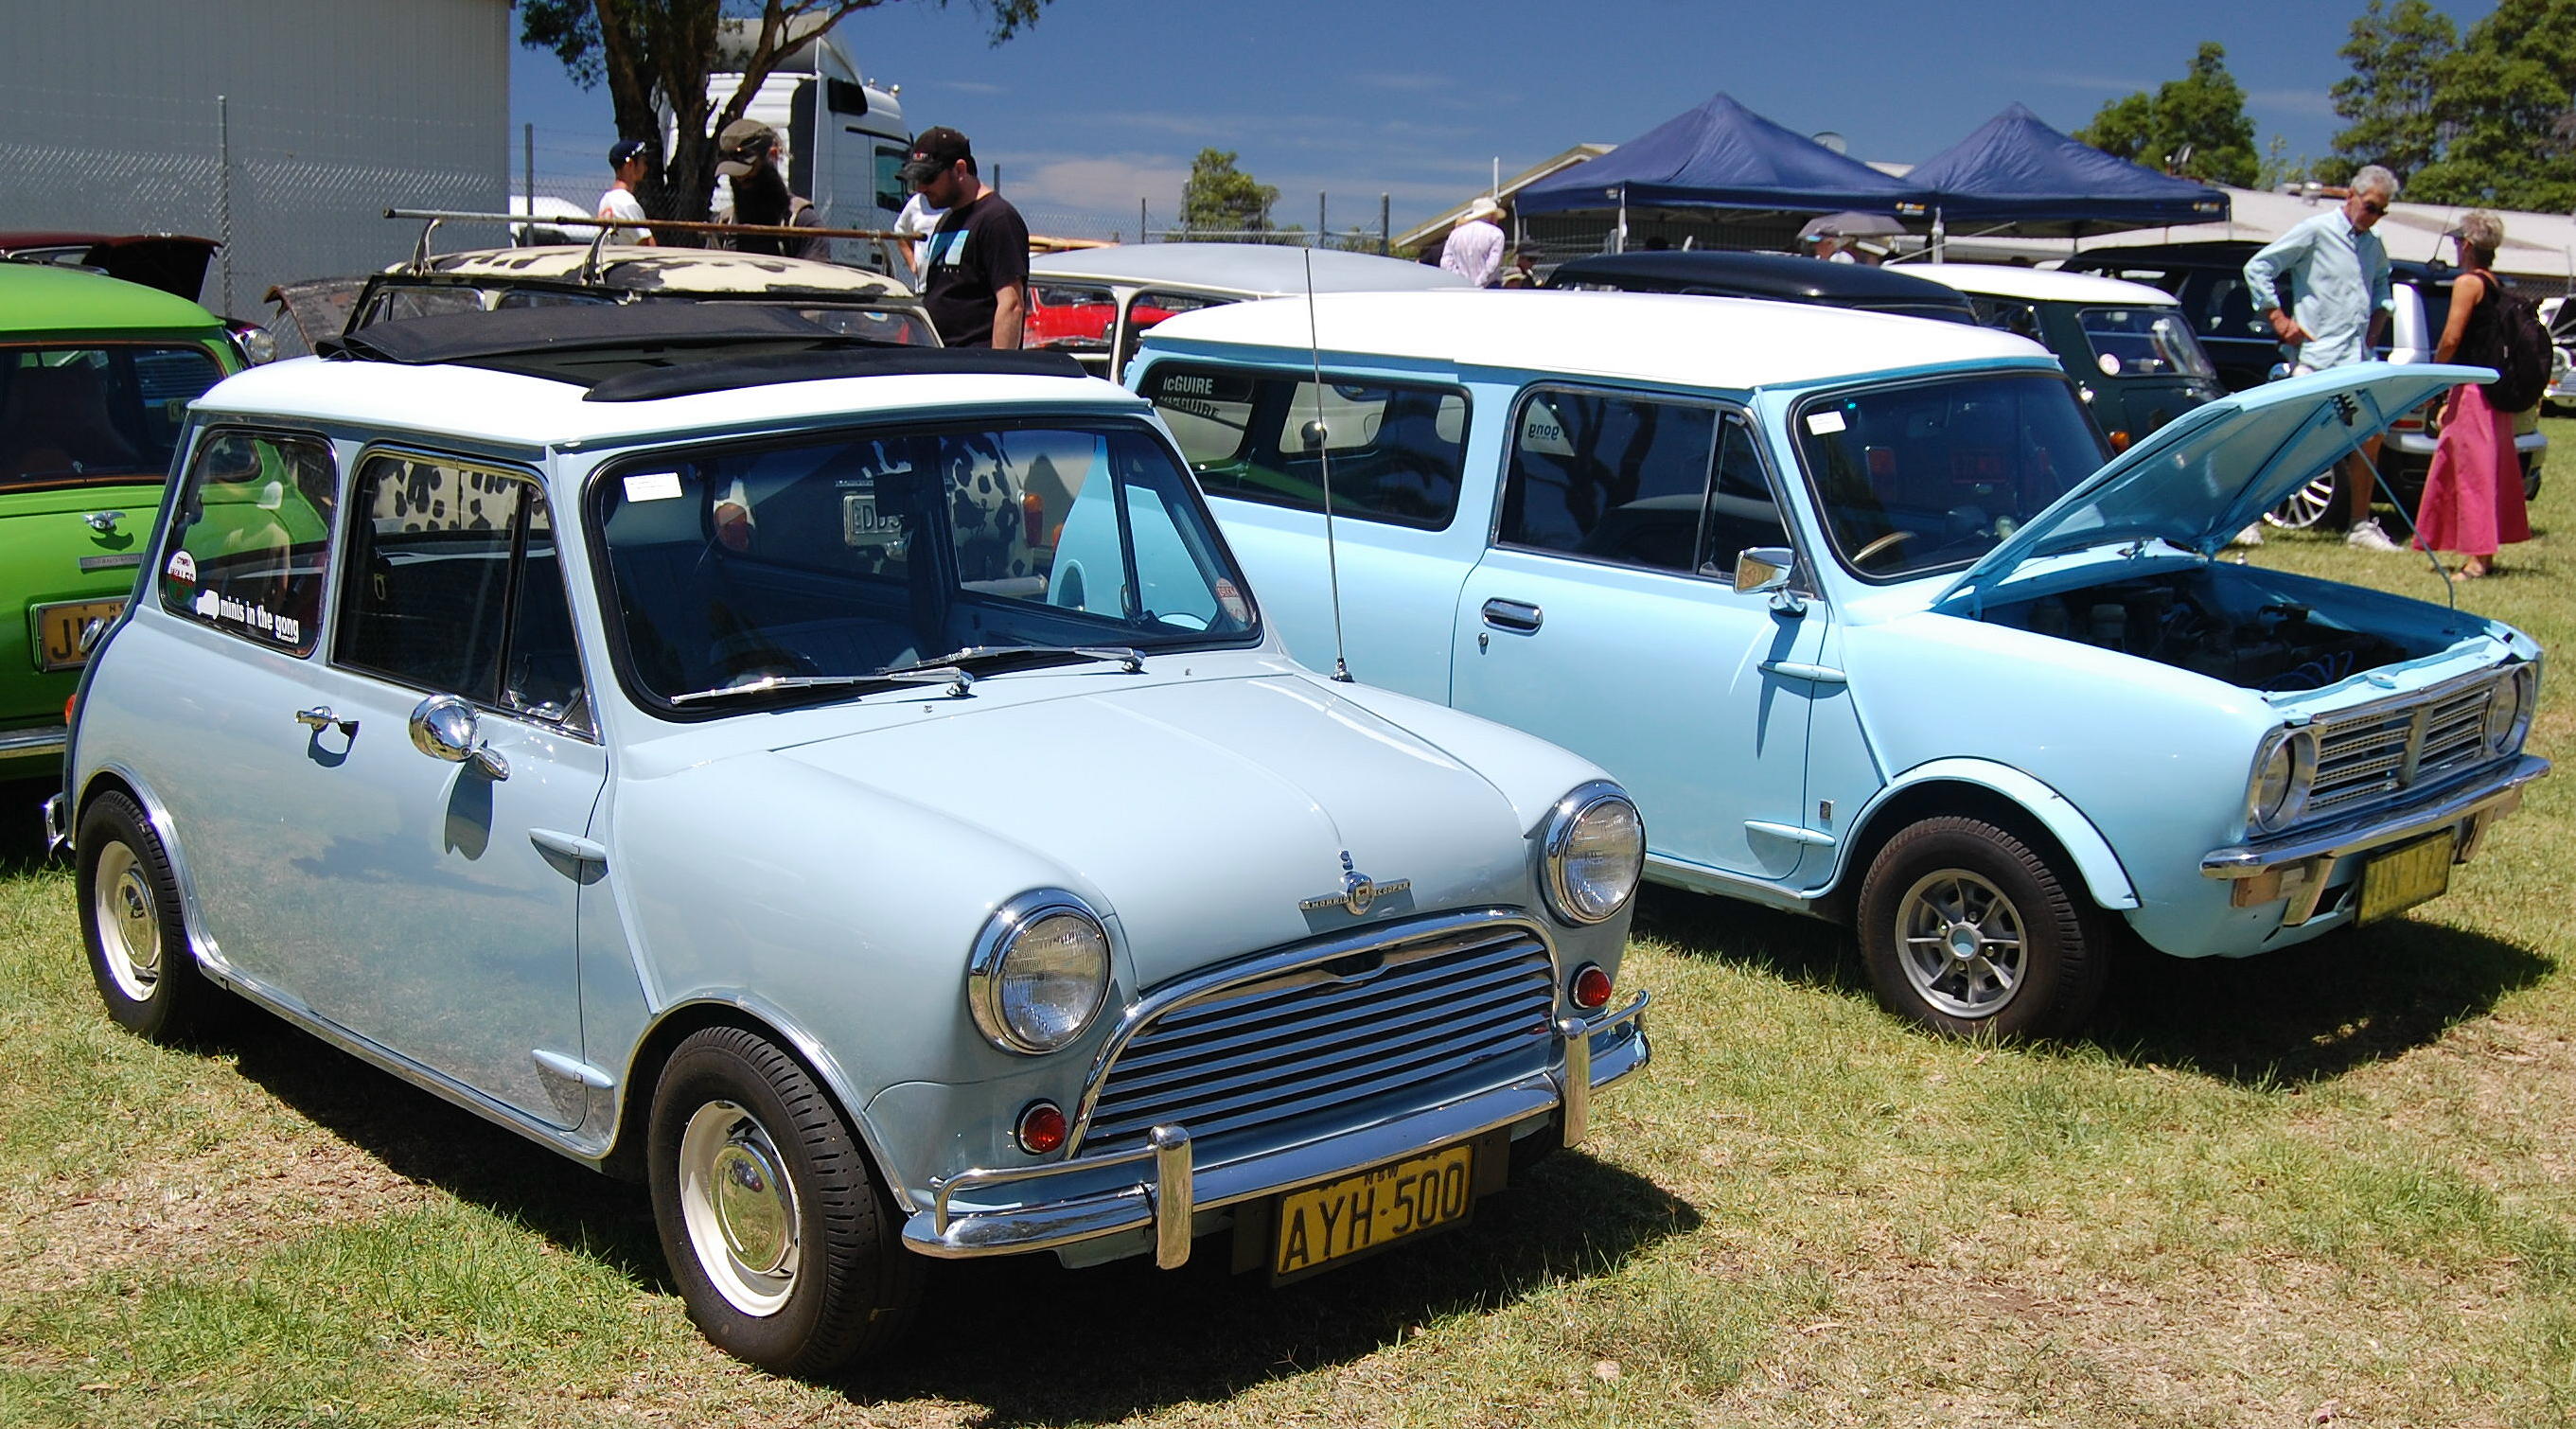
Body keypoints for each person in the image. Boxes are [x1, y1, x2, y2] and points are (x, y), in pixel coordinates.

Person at [2244, 165, 2402, 551]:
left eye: (2382, 211)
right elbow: (2259, 267)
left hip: (2356, 359)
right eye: (2370, 207)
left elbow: (2382, 280)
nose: (2374, 217)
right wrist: (2279, 319)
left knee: (2371, 437)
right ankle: (2245, 518)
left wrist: (2379, 318)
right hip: (2315, 357)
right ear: (2350, 196)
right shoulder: (2317, 230)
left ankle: (2360, 526)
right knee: (2284, 439)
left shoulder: (2373, 242)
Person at [2413, 211, 2532, 579]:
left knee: (2470, 475)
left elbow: (2451, 338)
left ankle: (2477, 560)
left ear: (2466, 245)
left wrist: (2435, 379)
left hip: (2472, 393)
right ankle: (2484, 555)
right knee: (2489, 472)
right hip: (2495, 394)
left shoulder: (2468, 283)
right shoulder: (2497, 284)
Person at [902, 126, 1030, 348]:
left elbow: (1011, 304)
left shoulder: (997, 219)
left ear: (960, 170)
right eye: (916, 180)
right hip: (941, 361)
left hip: (975, 368)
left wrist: (997, 372)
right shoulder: (947, 220)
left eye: (928, 178)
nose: (921, 188)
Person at [715, 119, 829, 262]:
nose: (740, 179)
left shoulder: (802, 223)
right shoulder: (724, 225)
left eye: (748, 172)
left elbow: (816, 278)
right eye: (734, 174)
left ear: (772, 156)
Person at [595, 138, 656, 245]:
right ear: (630, 164)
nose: (645, 168)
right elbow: (648, 246)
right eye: (643, 162)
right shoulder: (627, 203)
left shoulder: (606, 200)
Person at [1440, 197, 1507, 287]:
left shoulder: (1455, 234)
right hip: (1489, 287)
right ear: (1491, 215)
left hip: (1460, 287)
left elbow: (1445, 262)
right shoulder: (1496, 234)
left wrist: (1460, 281)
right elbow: (1493, 265)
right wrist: (1478, 284)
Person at [892, 189, 946, 283]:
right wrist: (913, 264)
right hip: (925, 285)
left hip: (956, 286)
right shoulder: (917, 202)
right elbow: (900, 230)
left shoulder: (960, 201)